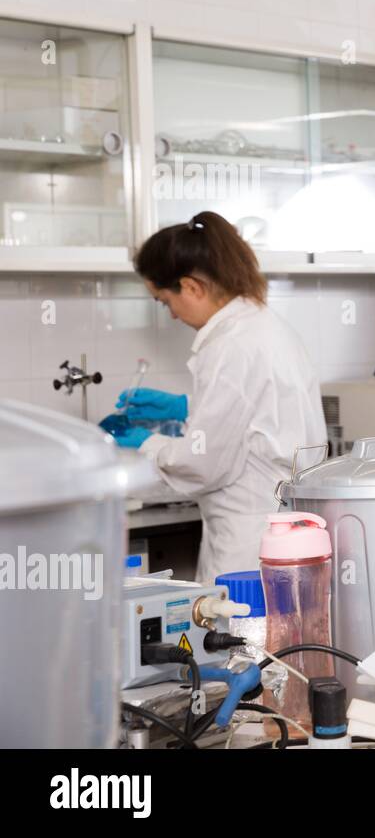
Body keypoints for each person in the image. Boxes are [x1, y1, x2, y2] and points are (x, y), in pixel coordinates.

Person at [107, 211, 326, 582]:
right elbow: (257, 414)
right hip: (290, 533)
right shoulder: (264, 326)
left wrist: (146, 444)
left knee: (237, 635)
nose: (172, 315)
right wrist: (185, 408)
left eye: (164, 300)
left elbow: (202, 464)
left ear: (191, 287)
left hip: (248, 542)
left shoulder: (229, 345)